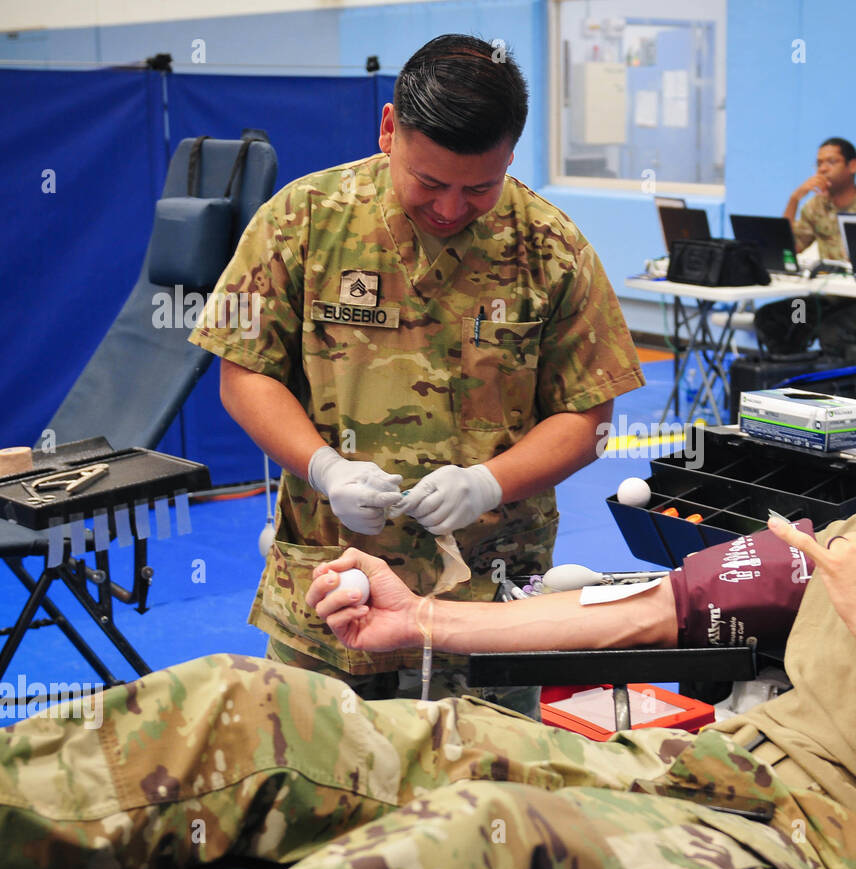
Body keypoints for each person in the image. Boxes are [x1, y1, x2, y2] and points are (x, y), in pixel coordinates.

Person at [1, 299, 856, 869]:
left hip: (826, 858)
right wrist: (426, 620)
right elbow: (644, 613)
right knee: (244, 700)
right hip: (700, 770)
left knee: (467, 845)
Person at [190, 35, 645, 717]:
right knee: (313, 795)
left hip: (487, 608)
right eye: (430, 182)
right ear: (387, 128)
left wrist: (489, 482)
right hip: (332, 593)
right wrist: (324, 470)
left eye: (480, 187)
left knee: (487, 804)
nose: (452, 208)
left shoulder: (550, 248)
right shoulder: (303, 220)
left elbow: (587, 418)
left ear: (511, 156)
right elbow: (243, 375)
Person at [755, 138, 856, 371]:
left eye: (831, 161)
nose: (823, 169)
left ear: (852, 166)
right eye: (819, 163)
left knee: (834, 330)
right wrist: (794, 199)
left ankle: (852, 393)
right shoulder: (815, 206)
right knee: (777, 317)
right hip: (832, 300)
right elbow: (787, 250)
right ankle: (795, 377)